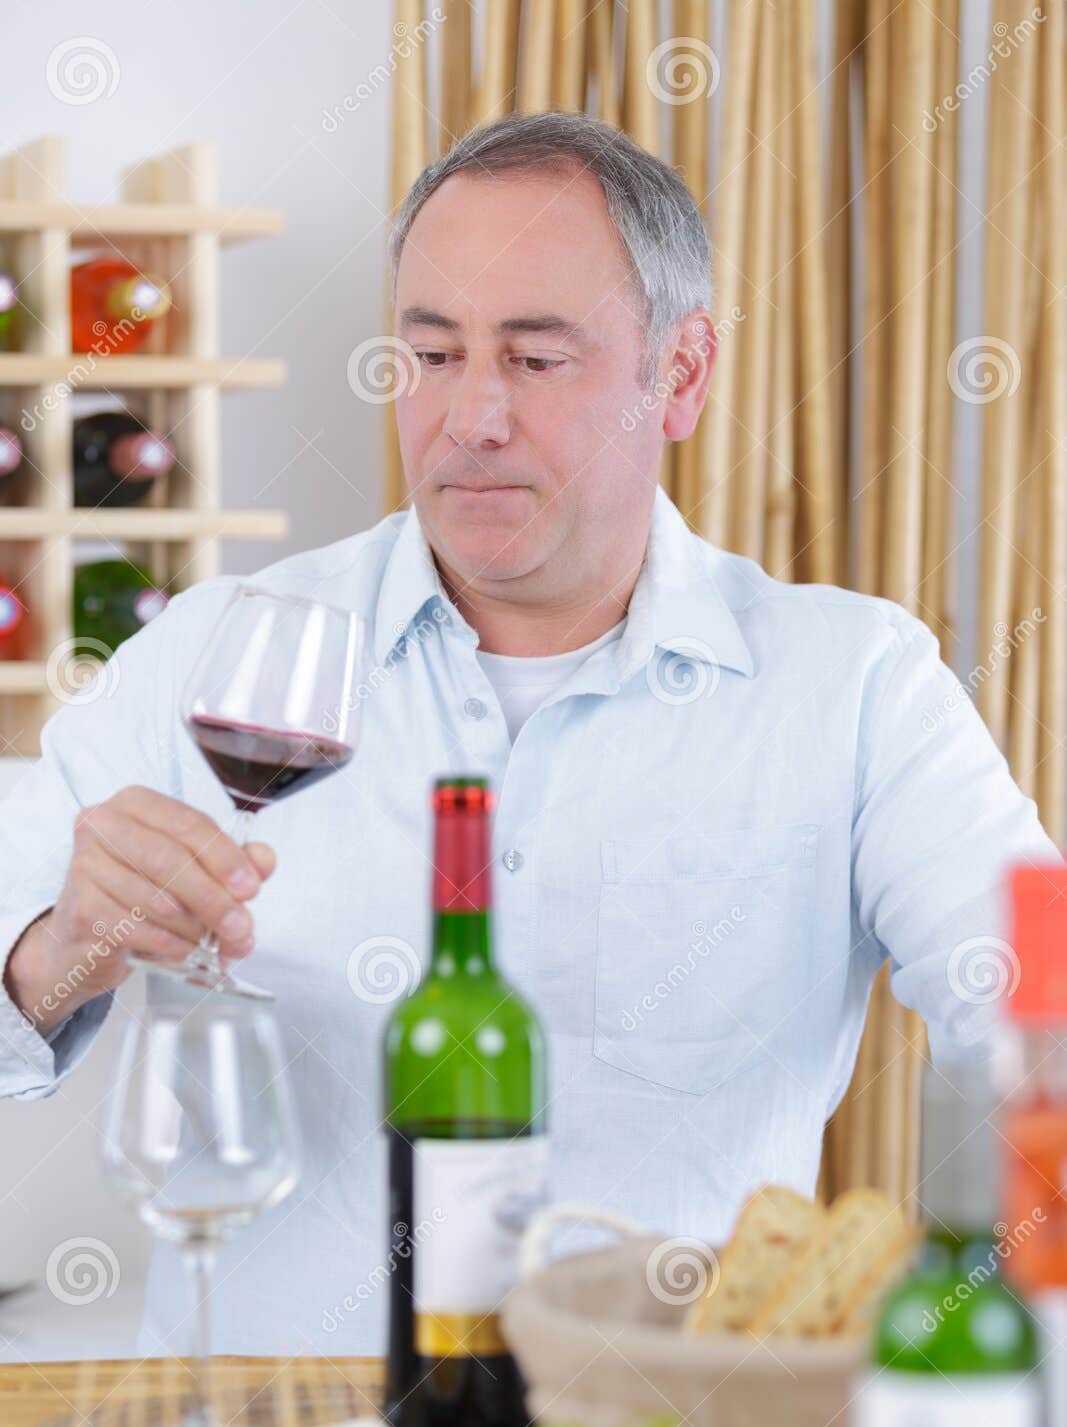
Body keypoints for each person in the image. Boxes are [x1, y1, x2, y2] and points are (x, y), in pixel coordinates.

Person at [0, 112, 1060, 1357]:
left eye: (535, 358)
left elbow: (1031, 1018)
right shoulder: (216, 655)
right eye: (431, 354)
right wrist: (63, 946)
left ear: (680, 374)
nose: (471, 417)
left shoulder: (856, 686)